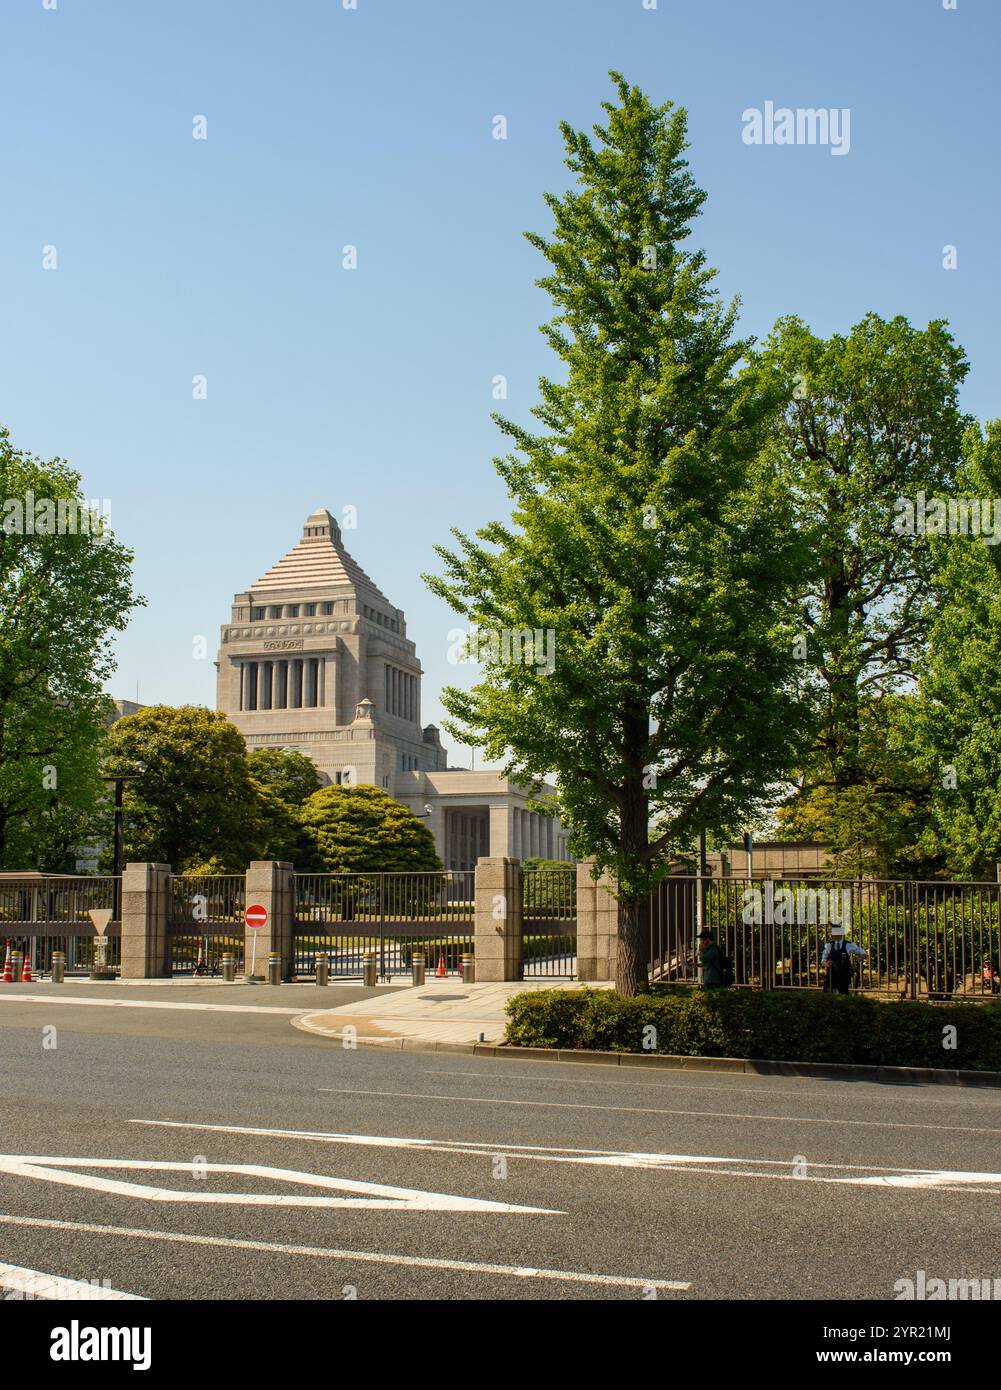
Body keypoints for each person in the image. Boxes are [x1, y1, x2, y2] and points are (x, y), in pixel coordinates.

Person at [822, 925, 866, 994]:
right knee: (827, 996)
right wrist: (827, 963)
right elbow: (823, 960)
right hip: (831, 975)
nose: (832, 935)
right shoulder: (829, 945)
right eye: (832, 933)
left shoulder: (849, 944)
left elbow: (863, 953)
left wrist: (856, 962)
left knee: (843, 995)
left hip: (843, 975)